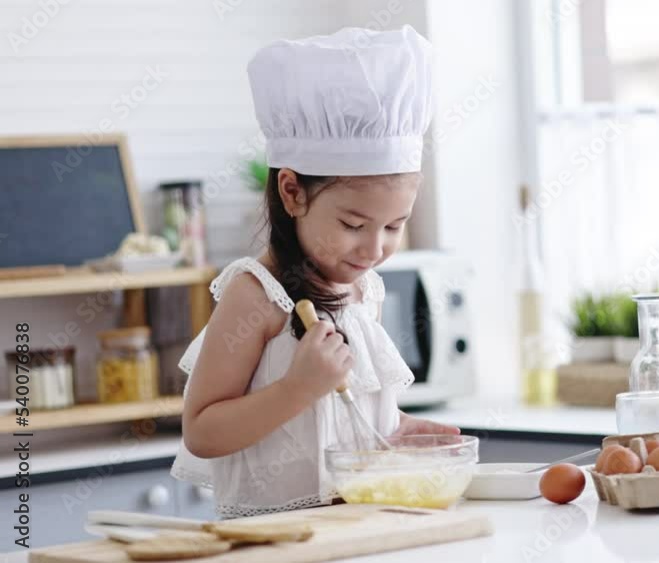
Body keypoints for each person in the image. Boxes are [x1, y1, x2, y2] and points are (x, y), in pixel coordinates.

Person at [170, 26, 459, 519]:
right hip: (272, 540)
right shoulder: (255, 296)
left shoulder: (362, 290)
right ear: (292, 192)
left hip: (353, 525)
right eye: (353, 224)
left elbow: (331, 417)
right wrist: (296, 388)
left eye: (394, 226)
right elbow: (202, 432)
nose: (374, 247)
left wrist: (391, 427)